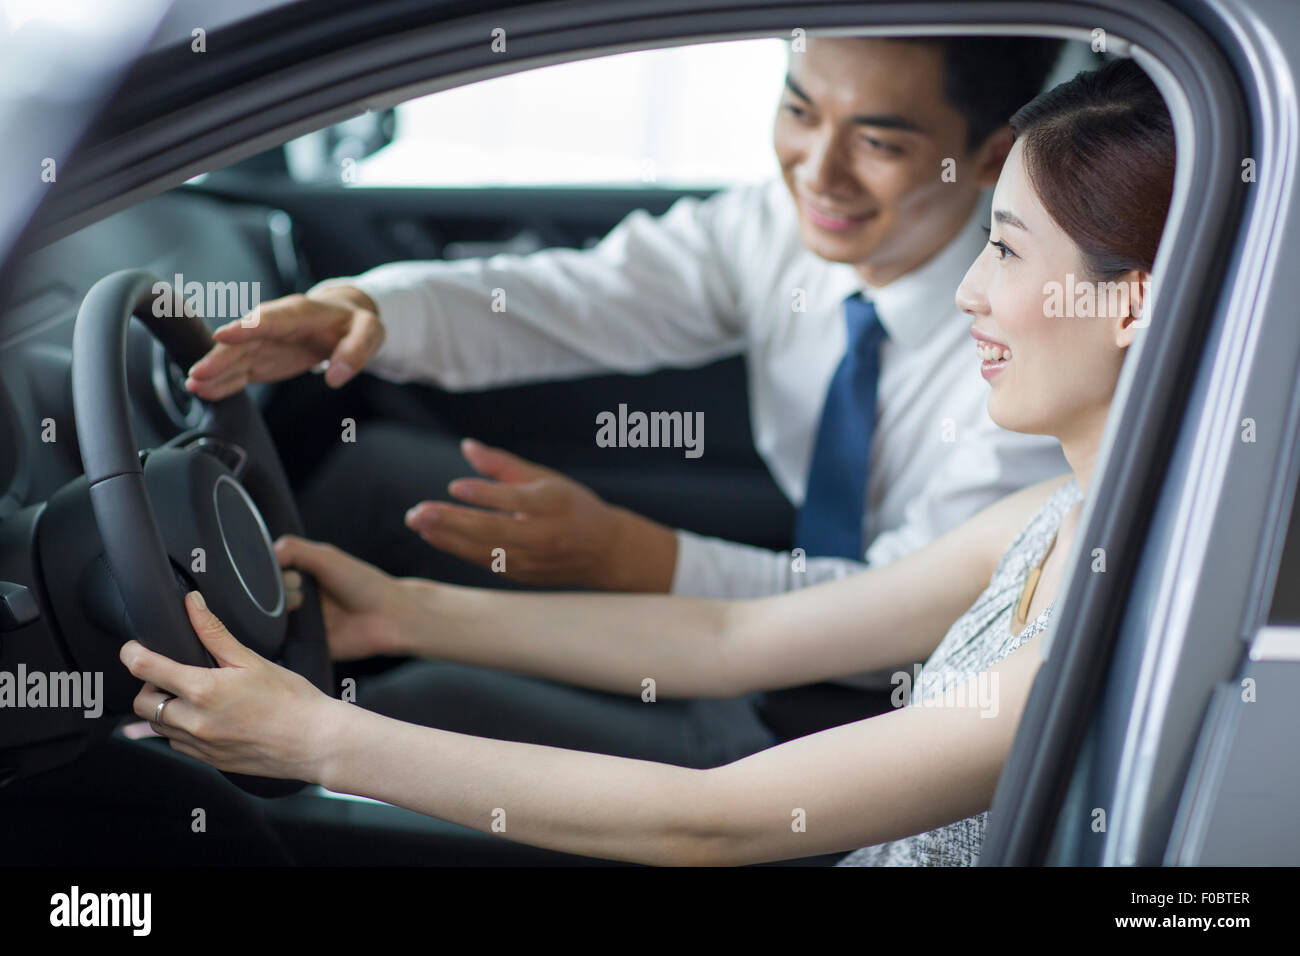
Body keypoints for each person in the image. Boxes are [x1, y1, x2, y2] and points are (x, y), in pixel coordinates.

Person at [121, 58, 1175, 865]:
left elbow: (718, 822)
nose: (967, 292)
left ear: (1125, 299)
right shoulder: (1054, 511)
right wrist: (400, 610)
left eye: (1004, 248)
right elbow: (733, 634)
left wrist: (318, 742)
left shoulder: (1121, 604)